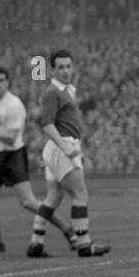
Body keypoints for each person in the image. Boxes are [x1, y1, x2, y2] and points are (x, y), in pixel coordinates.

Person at [0, 67, 75, 254]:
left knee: (28, 202)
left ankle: (67, 229)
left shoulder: (14, 104)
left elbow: (11, 138)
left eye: (0, 80)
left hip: (13, 156)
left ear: (7, 82)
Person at [29, 50, 110, 258]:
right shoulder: (53, 93)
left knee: (53, 197)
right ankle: (84, 244)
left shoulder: (66, 90)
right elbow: (46, 124)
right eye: (60, 67)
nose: (65, 71)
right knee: (80, 193)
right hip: (61, 147)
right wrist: (64, 146)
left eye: (68, 66)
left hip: (61, 147)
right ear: (53, 70)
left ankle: (36, 243)